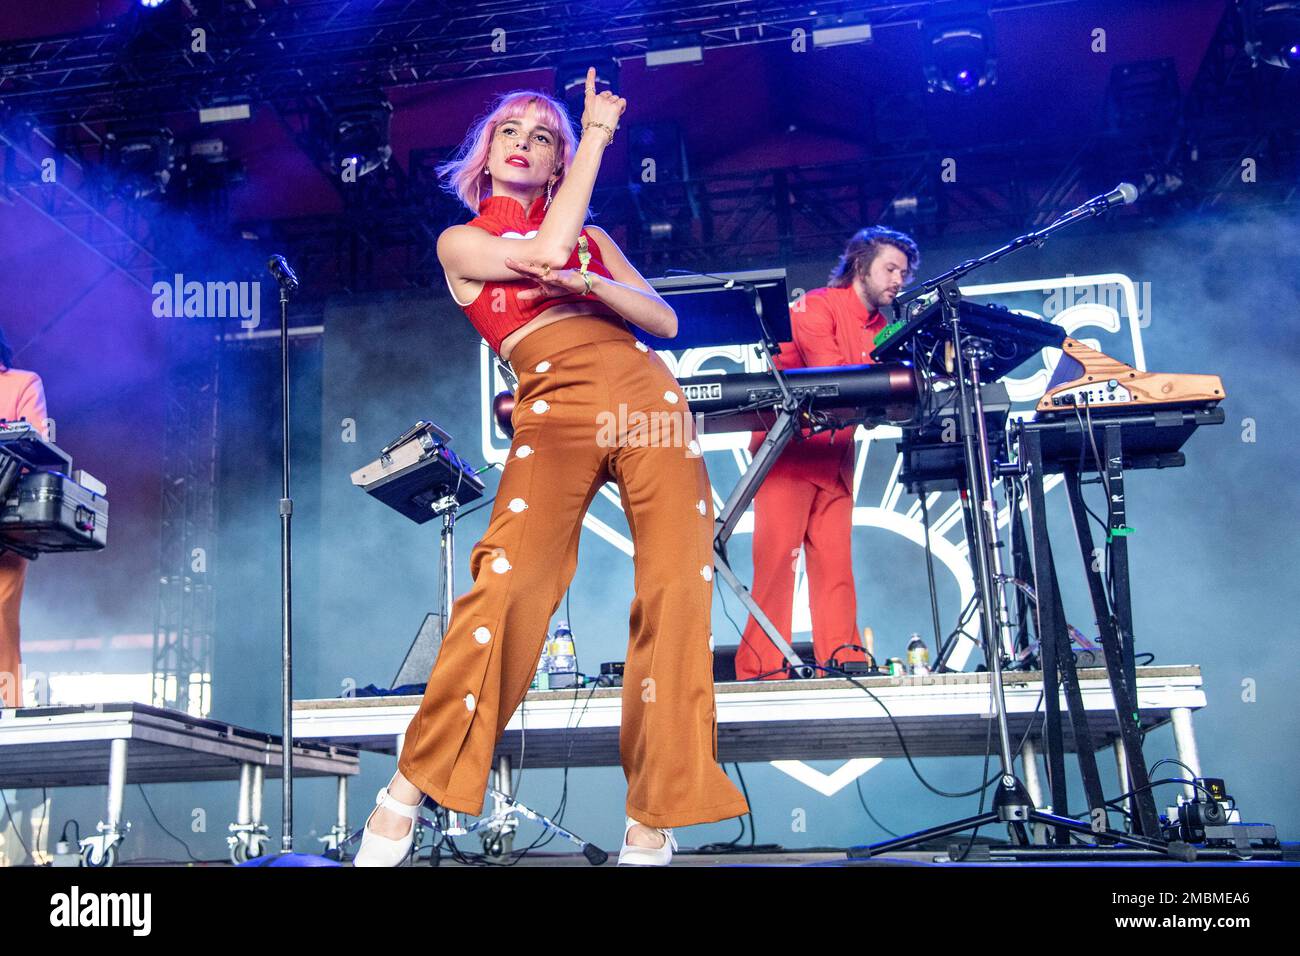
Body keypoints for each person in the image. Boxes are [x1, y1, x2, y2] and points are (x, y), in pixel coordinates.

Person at [353, 69, 749, 866]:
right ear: (486, 154)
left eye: (545, 137)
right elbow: (545, 251)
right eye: (512, 133)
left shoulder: (593, 243)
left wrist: (592, 281)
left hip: (644, 397)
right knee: (510, 584)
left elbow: (664, 318)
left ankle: (652, 821)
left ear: (557, 162)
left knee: (678, 586)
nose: (526, 144)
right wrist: (596, 134)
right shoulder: (462, 241)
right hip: (554, 400)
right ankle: (409, 786)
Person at [735, 226, 919, 681]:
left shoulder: (885, 327)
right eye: (890, 268)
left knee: (836, 567)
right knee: (777, 564)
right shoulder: (816, 305)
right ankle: (762, 670)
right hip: (789, 455)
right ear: (861, 266)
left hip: (835, 458)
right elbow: (833, 379)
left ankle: (845, 662)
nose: (899, 279)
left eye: (904, 272)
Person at [0, 326, 49, 709]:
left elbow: (32, 446)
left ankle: (5, 712)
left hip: (5, 520)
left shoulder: (22, 383)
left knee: (0, 618)